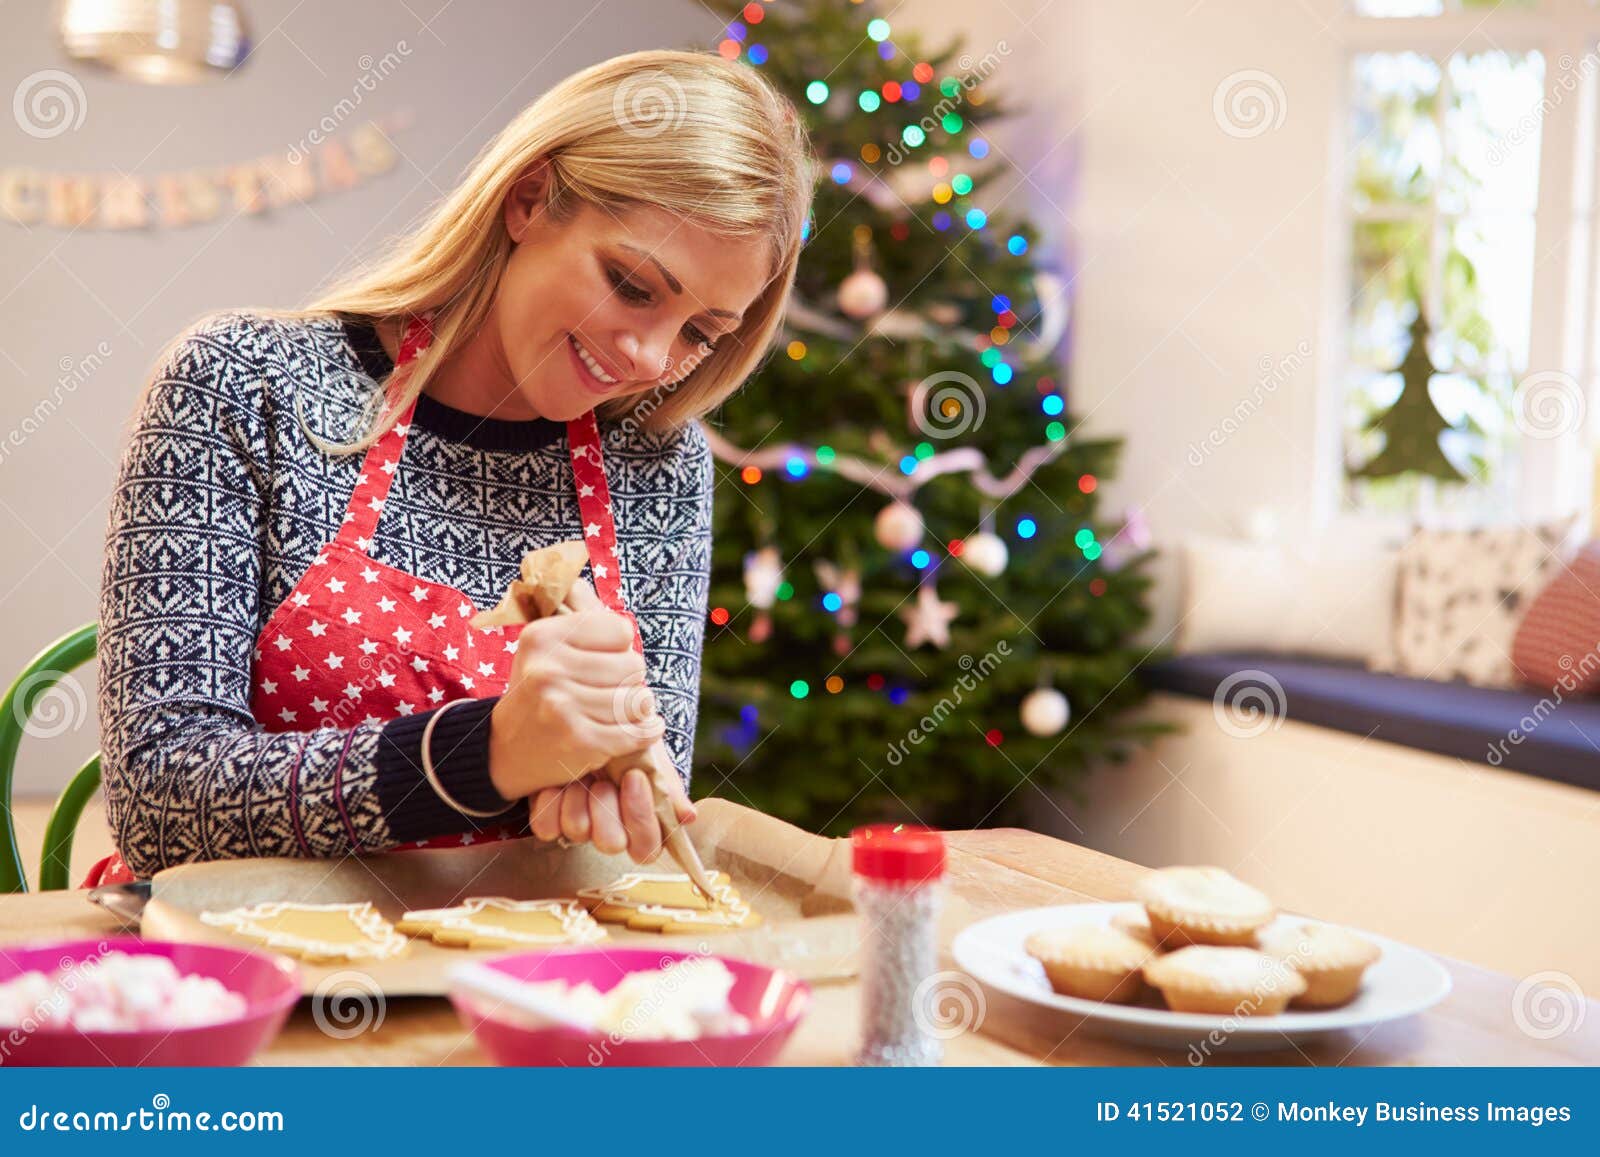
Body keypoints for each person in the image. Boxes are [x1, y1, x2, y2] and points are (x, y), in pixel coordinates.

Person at [87, 49, 815, 884]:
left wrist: (609, 781)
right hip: (252, 980)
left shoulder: (657, 462)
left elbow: (639, 801)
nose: (651, 357)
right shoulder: (243, 383)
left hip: (523, 975)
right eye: (633, 285)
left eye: (700, 333)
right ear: (530, 200)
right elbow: (159, 808)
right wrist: (491, 752)